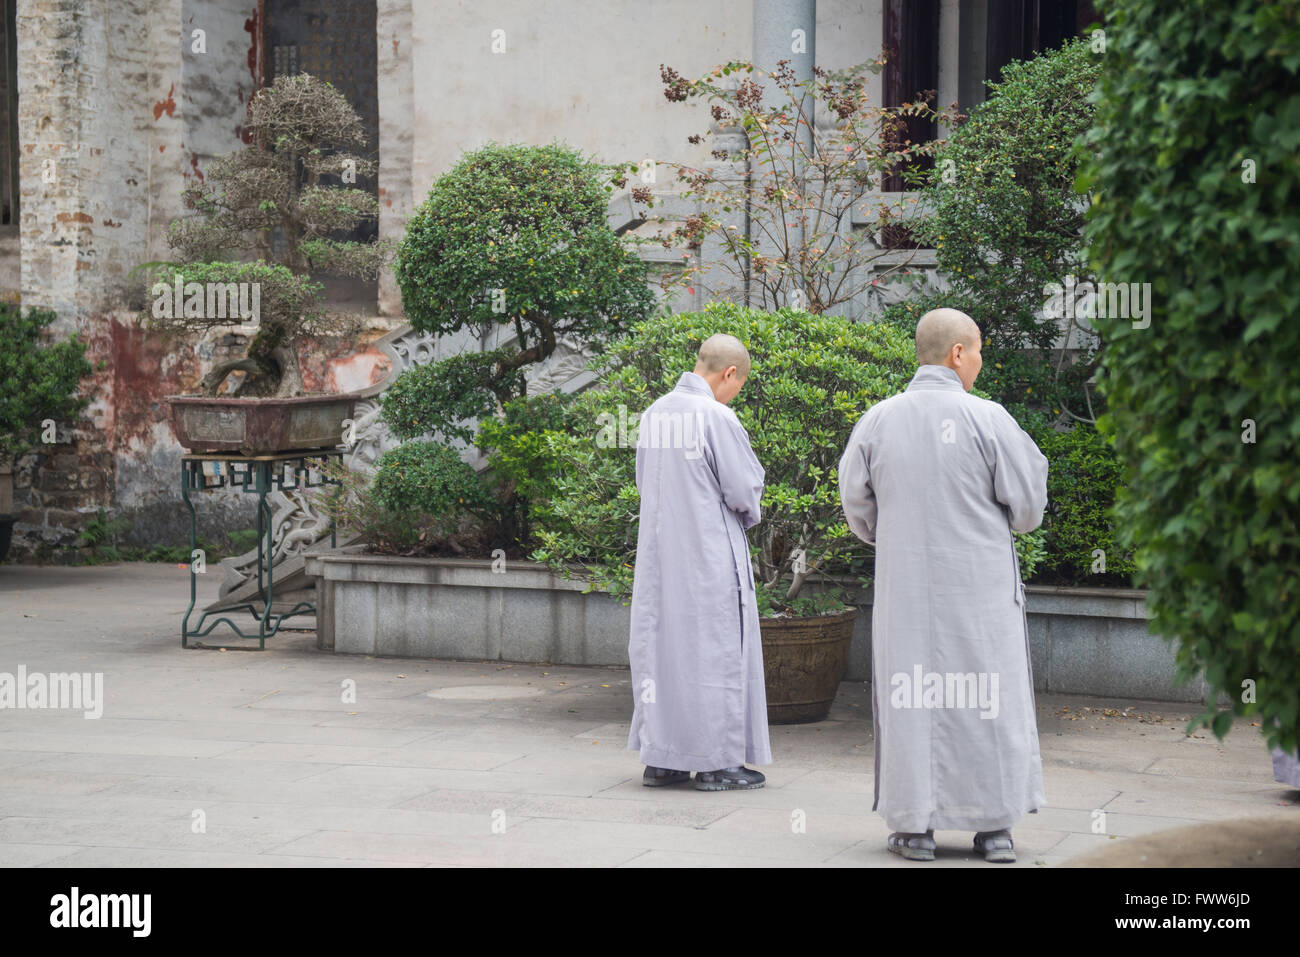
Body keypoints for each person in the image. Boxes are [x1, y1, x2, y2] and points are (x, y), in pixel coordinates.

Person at [838, 308, 1049, 862]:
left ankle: (913, 826)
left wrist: (901, 538)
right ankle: (994, 827)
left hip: (906, 591)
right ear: (958, 352)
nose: (980, 361)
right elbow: (1027, 508)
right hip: (978, 592)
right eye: (977, 350)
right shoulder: (989, 418)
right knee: (988, 697)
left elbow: (858, 512)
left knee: (909, 697)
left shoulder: (878, 420)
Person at [626, 333, 771, 791]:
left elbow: (644, 480)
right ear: (730, 374)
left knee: (663, 649)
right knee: (714, 651)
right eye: (738, 385)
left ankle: (663, 758)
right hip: (707, 552)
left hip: (658, 554)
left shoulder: (654, 413)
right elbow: (744, 490)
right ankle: (717, 763)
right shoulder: (716, 416)